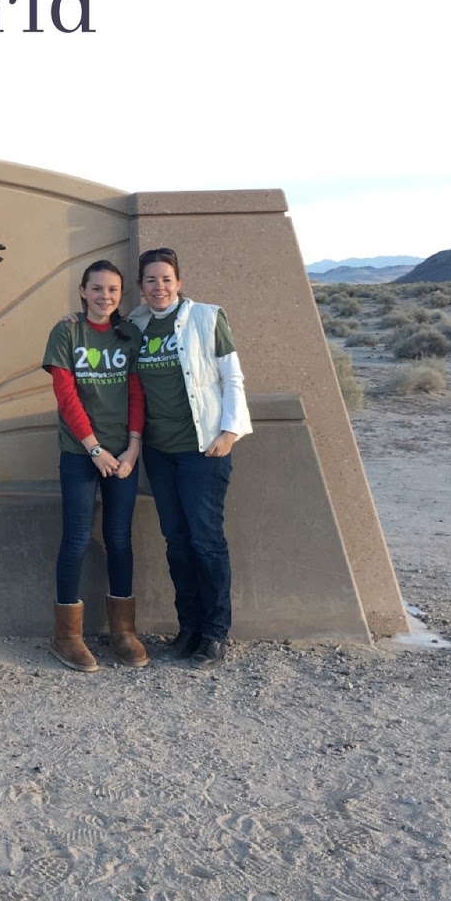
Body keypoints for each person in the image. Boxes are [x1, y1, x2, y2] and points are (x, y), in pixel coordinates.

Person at [128, 247, 251, 669]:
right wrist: (72, 319)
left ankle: (215, 632)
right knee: (177, 542)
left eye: (166, 279)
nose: (158, 287)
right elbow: (98, 329)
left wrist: (230, 431)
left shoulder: (207, 317)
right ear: (140, 286)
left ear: (179, 282)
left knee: (206, 541)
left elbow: (231, 376)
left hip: (203, 450)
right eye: (150, 280)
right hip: (160, 453)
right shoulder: (136, 325)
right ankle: (189, 628)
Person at [41, 260, 147, 673]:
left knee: (120, 538)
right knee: (77, 539)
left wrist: (132, 447)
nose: (105, 296)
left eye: (113, 290)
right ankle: (67, 636)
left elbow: (137, 393)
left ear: (122, 294)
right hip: (80, 453)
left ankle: (124, 631)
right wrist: (94, 448)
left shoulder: (129, 335)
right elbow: (66, 397)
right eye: (97, 288)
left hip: (122, 456)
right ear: (83, 291)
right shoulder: (66, 332)